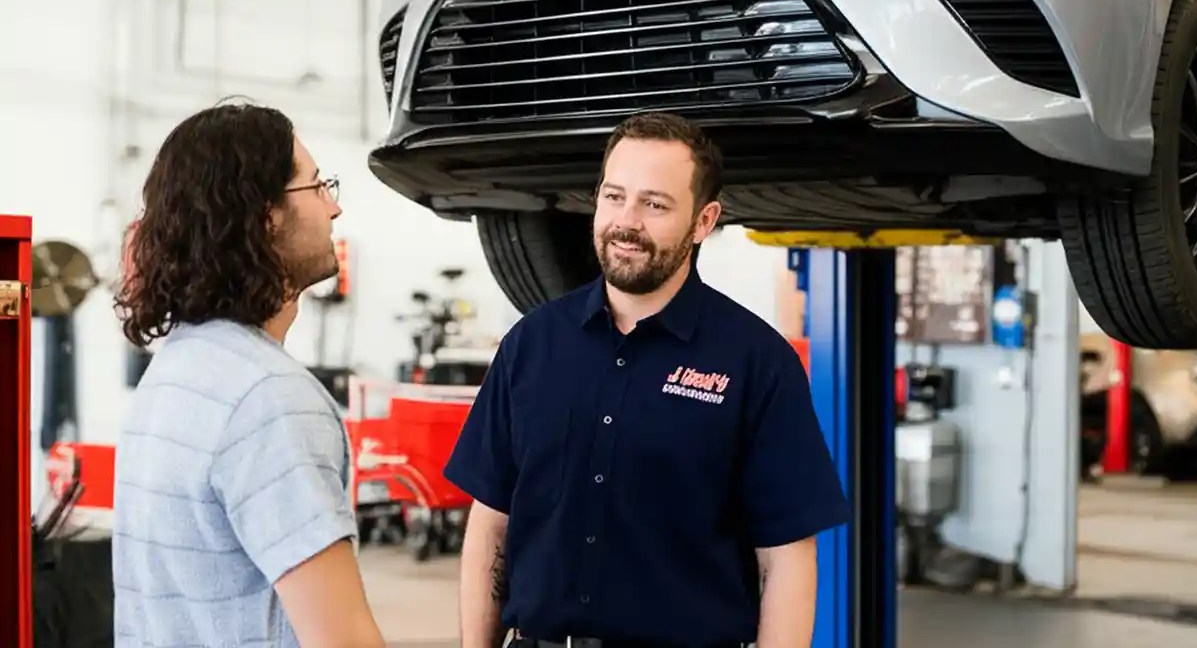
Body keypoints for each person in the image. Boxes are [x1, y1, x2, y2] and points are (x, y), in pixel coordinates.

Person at [444, 111, 851, 647]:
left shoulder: (756, 362)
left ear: (704, 221)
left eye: (654, 204)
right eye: (614, 197)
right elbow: (491, 524)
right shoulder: (532, 344)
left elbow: (787, 557)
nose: (626, 222)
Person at [111, 102, 385, 648]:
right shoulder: (269, 398)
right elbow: (342, 639)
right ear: (266, 216)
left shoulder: (176, 369)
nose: (333, 208)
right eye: (316, 186)